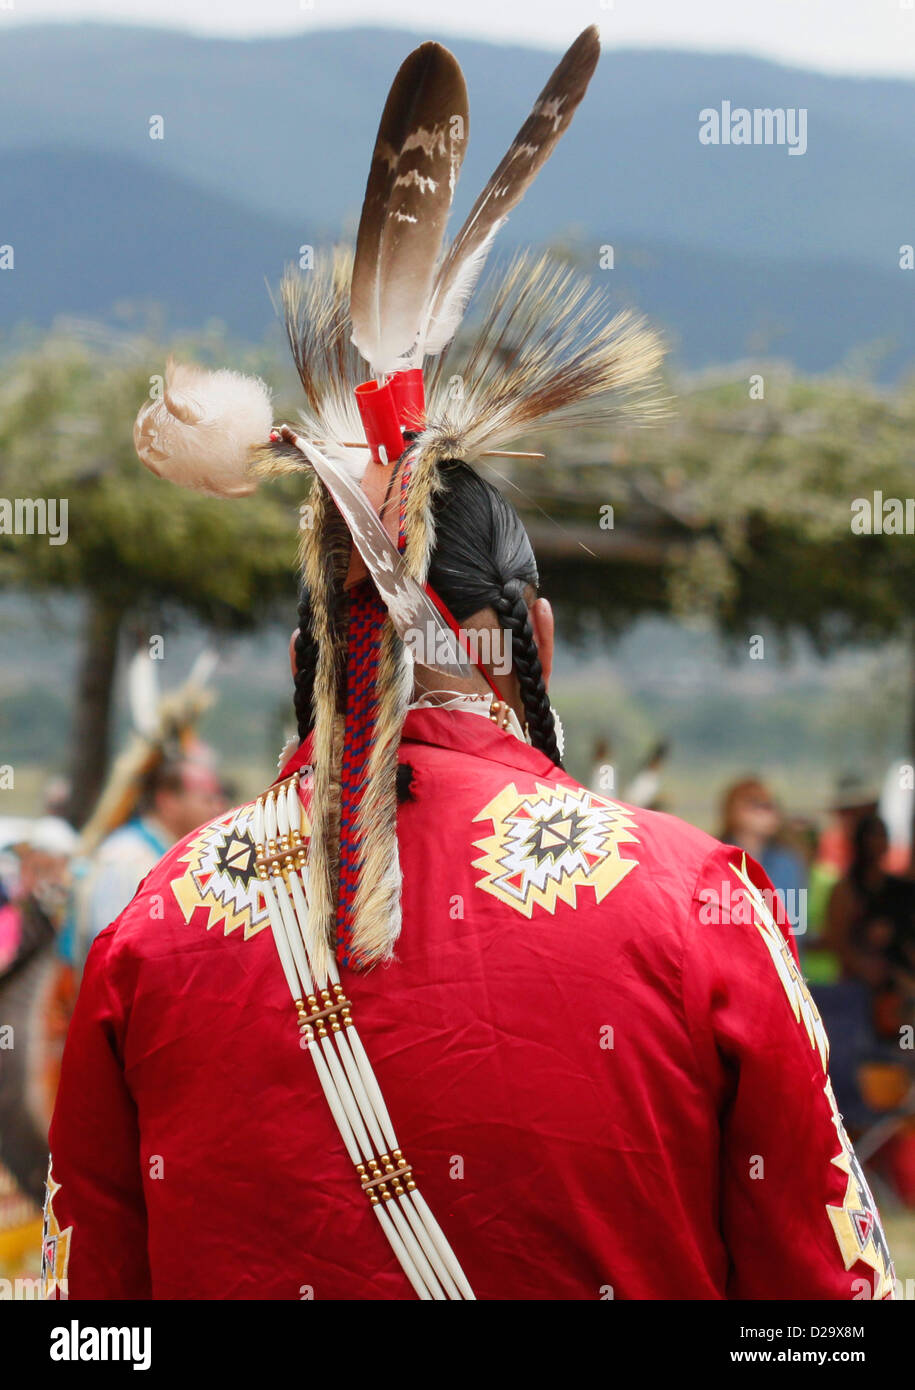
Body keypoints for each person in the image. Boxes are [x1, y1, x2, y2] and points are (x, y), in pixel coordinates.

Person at [45, 29, 894, 1302]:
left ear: (304, 657)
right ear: (532, 640)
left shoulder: (151, 936)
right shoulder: (696, 905)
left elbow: (88, 1326)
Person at [73, 755, 224, 968]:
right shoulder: (126, 857)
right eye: (207, 799)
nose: (219, 808)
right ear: (168, 801)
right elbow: (113, 953)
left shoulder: (175, 855)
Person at [824, 815, 915, 1037]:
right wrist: (864, 968)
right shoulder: (845, 890)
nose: (876, 842)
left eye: (881, 835)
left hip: (900, 988)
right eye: (871, 836)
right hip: (859, 989)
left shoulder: (901, 889)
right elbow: (836, 940)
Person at [720, 777, 807, 937]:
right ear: (734, 810)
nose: (768, 811)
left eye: (772, 805)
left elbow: (794, 927)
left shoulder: (788, 862)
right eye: (756, 804)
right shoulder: (717, 860)